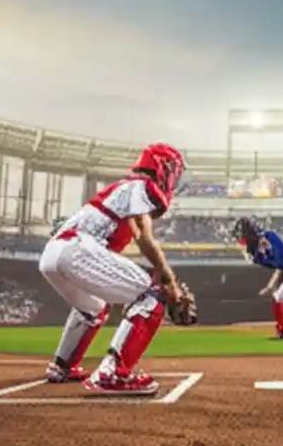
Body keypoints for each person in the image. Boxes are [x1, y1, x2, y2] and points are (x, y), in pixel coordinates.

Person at [38, 143, 189, 396]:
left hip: (53, 254)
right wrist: (168, 281)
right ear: (162, 168)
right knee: (152, 294)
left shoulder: (123, 190)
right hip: (78, 248)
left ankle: (62, 366)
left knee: (94, 307)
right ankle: (113, 373)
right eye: (173, 171)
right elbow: (144, 236)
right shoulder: (141, 186)